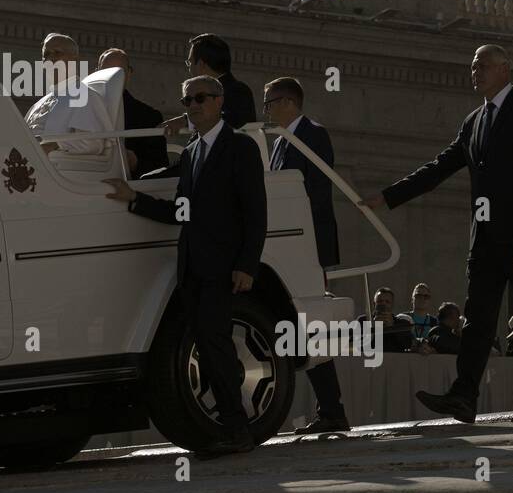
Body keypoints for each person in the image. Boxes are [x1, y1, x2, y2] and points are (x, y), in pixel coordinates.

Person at [363, 44, 513, 424]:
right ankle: (464, 396)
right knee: (478, 317)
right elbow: (440, 167)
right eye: (472, 67)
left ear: (505, 69)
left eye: (483, 65)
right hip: (486, 238)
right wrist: (388, 197)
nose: (476, 72)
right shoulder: (474, 121)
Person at [104, 75, 267, 458]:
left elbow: (256, 212)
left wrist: (247, 265)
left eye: (200, 98)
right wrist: (133, 199)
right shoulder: (192, 152)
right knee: (207, 350)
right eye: (187, 100)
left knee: (217, 346)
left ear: (218, 101)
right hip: (191, 270)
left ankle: (237, 428)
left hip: (224, 268)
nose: (193, 106)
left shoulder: (240, 148)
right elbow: (182, 211)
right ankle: (228, 428)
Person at [261, 76, 348, 433]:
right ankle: (329, 408)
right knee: (303, 325)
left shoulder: (312, 134)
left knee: (311, 324)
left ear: (288, 103)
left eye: (268, 102)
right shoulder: (283, 141)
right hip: (291, 246)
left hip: (306, 245)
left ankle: (332, 409)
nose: (264, 110)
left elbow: (316, 192)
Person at [25, 33, 112, 154]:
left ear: (75, 59)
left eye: (57, 53)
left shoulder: (85, 96)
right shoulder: (37, 105)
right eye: (46, 54)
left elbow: (92, 143)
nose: (50, 59)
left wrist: (54, 145)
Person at [98, 48, 167, 177]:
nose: (113, 77)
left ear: (129, 74)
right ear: (96, 74)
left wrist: (135, 163)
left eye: (119, 72)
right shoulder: (81, 110)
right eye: (106, 72)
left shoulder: (149, 117)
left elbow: (159, 166)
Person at [402, 283, 439, 349]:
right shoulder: (403, 319)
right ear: (412, 299)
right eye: (418, 295)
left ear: (429, 300)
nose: (422, 298)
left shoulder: (435, 322)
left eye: (426, 296)